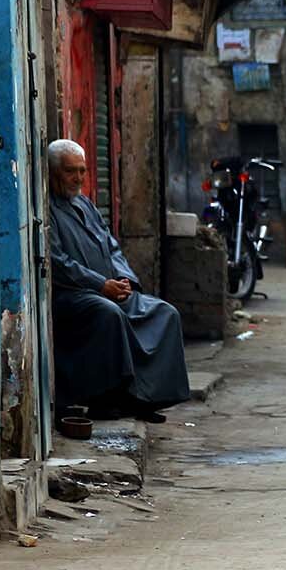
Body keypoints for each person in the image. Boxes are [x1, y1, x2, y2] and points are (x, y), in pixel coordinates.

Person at [46, 139, 191, 420]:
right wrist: (100, 285)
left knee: (165, 313)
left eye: (82, 170)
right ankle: (109, 399)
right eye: (70, 171)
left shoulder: (85, 204)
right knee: (108, 314)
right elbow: (59, 262)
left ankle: (147, 397)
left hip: (109, 288)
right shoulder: (48, 209)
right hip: (75, 294)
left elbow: (111, 246)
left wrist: (125, 279)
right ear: (53, 173)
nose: (78, 178)